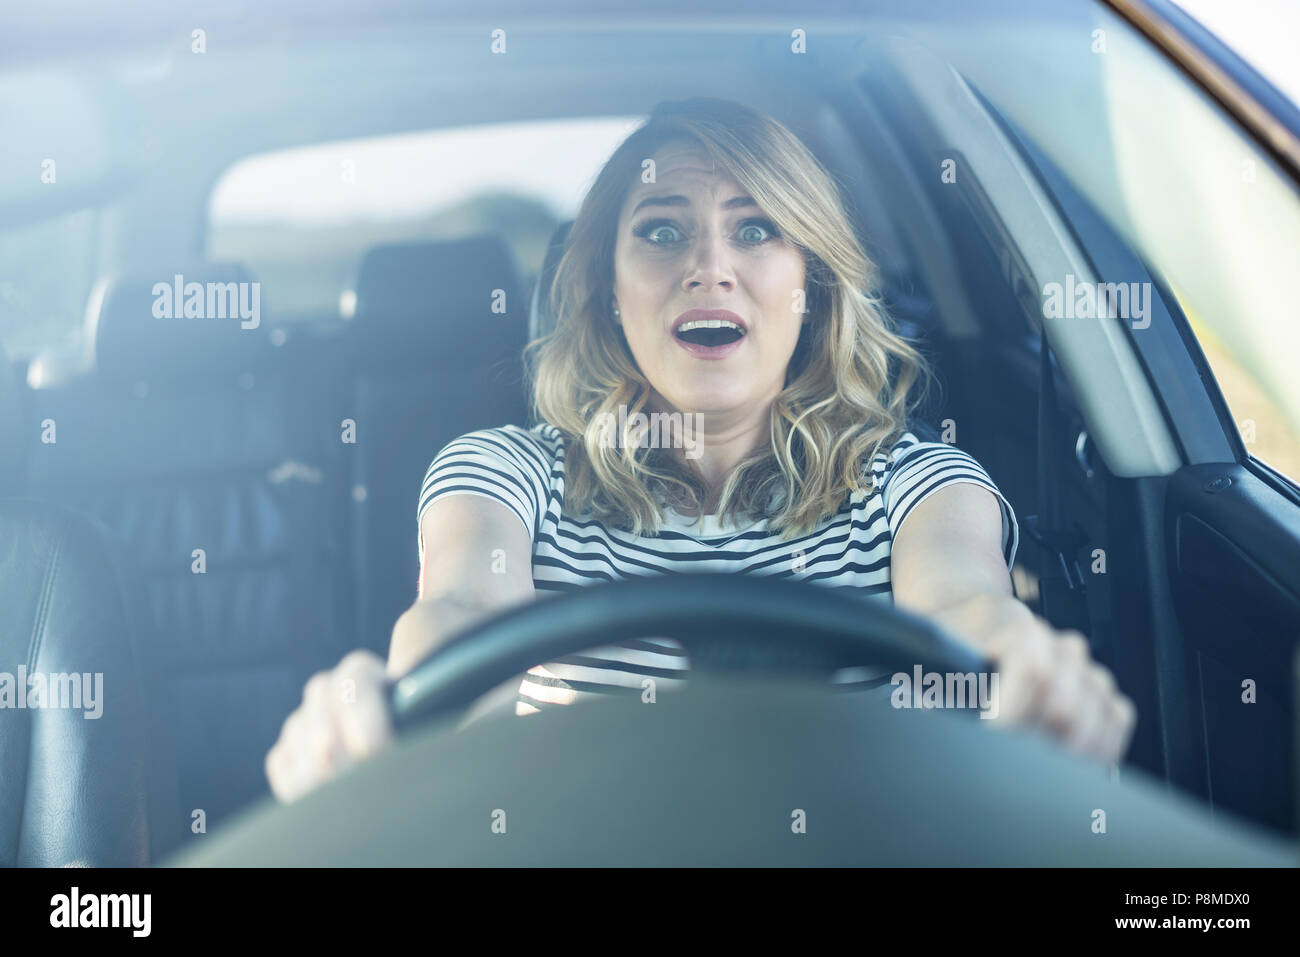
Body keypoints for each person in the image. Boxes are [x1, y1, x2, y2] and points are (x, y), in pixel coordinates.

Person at [265, 97, 1135, 804]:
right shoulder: (501, 472)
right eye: (661, 229)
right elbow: (460, 608)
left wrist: (1020, 667)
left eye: (756, 230)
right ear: (607, 289)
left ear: (813, 284)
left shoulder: (918, 481)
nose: (710, 266)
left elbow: (962, 598)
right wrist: (382, 720)